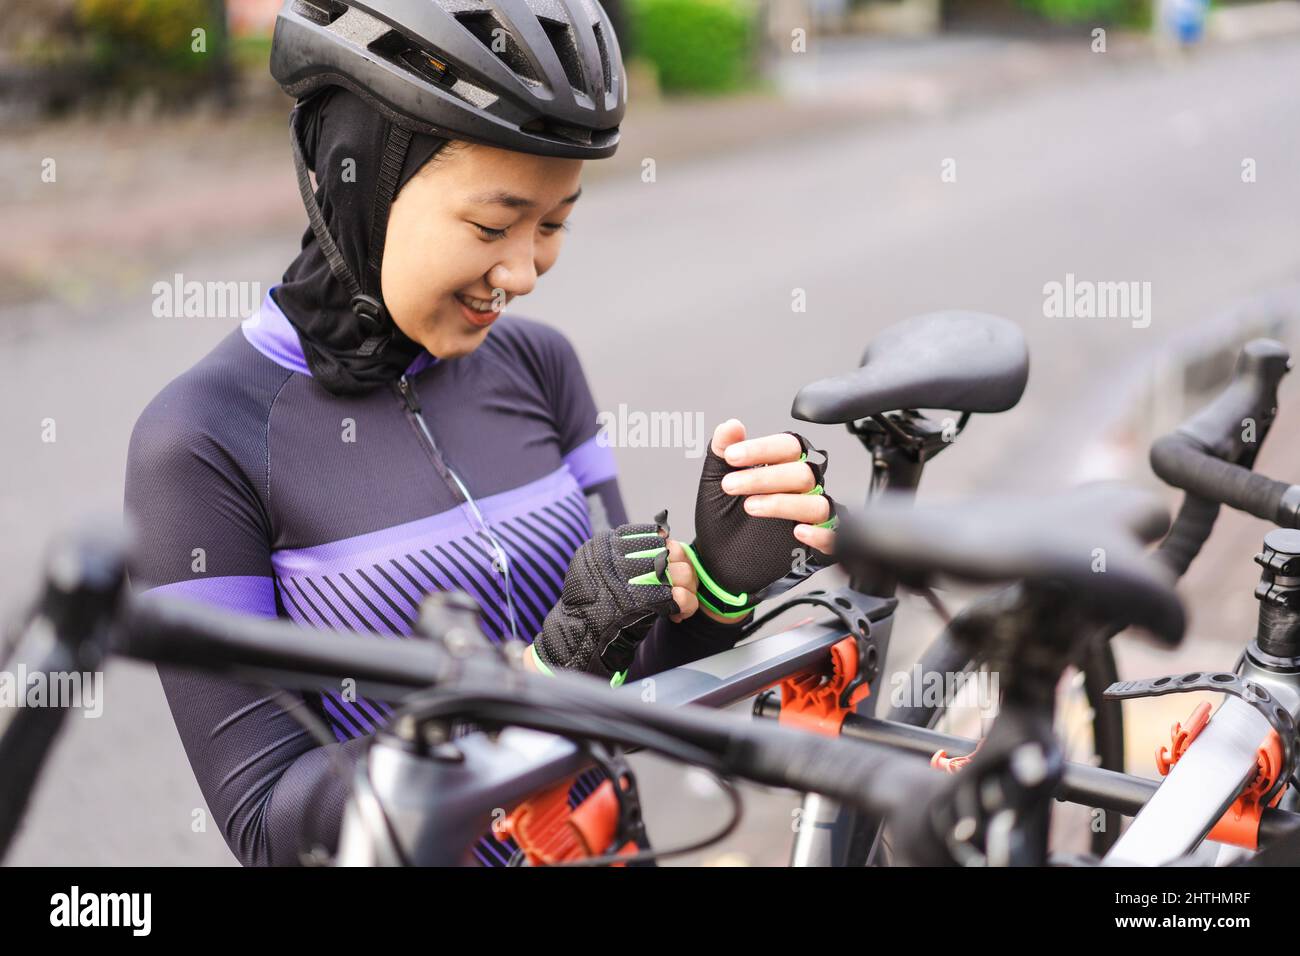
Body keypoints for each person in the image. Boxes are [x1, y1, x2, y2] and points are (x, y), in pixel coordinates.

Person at [124, 0, 835, 866]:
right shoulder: (201, 441)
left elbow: (622, 680)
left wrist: (720, 586)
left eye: (556, 223)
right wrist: (532, 680)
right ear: (354, 177)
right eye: (493, 225)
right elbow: (272, 825)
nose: (525, 269)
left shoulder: (539, 366)